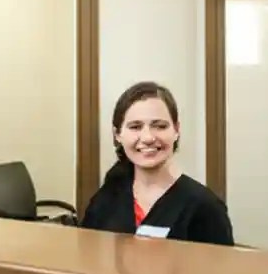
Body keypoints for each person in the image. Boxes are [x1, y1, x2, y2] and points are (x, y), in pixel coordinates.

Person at [80, 82, 234, 246]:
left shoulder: (205, 207)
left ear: (176, 130)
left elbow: (219, 270)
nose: (147, 138)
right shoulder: (106, 199)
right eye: (135, 127)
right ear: (117, 134)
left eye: (159, 126)